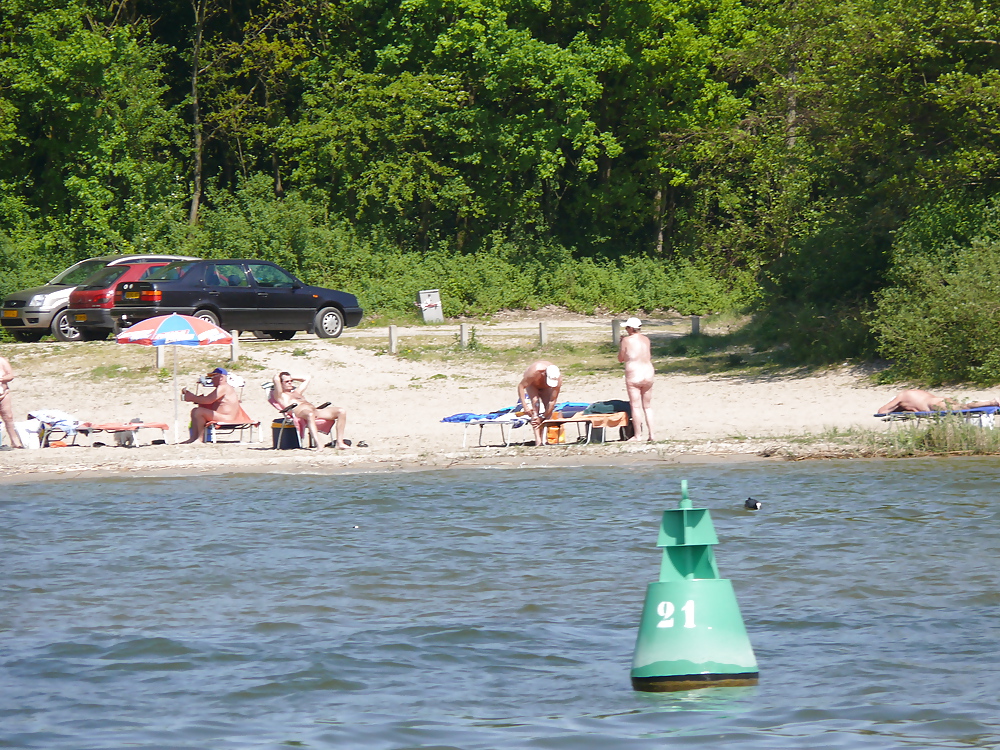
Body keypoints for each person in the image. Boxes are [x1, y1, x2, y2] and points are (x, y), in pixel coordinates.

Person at [272, 371, 349, 450]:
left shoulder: (297, 392)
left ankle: (339, 443)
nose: (290, 383)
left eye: (291, 381)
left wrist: (290, 377)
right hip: (301, 413)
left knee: (341, 411)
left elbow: (307, 378)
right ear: (280, 383)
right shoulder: (280, 395)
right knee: (310, 414)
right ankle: (319, 444)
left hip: (315, 411)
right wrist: (280, 376)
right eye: (287, 382)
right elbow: (276, 378)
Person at [180, 367, 243, 443]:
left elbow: (208, 400)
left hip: (227, 417)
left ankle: (200, 438)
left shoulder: (223, 387)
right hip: (224, 416)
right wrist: (195, 398)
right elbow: (209, 400)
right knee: (195, 411)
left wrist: (192, 397)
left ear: (221, 377)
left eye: (213, 377)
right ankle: (193, 438)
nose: (212, 379)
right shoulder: (223, 388)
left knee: (199, 412)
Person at [618, 317, 656, 442]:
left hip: (634, 373)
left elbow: (621, 358)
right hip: (648, 372)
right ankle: (652, 434)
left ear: (630, 328)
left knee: (635, 406)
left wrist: (621, 343)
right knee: (648, 406)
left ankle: (638, 435)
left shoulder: (626, 340)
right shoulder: (646, 339)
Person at [517, 360, 562, 445]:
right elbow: (521, 386)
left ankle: (545, 438)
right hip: (533, 384)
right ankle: (538, 440)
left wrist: (544, 416)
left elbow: (552, 401)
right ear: (544, 373)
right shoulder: (534, 372)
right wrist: (525, 406)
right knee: (535, 404)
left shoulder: (557, 379)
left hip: (545, 387)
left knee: (548, 407)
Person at [877, 389, 999, 414]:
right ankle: (989, 402)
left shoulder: (902, 397)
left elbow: (881, 411)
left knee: (964, 407)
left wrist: (899, 408)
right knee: (962, 405)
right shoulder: (915, 392)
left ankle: (992, 402)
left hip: (933, 405)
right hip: (939, 400)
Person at [0, 355, 25, 448]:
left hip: (3, 393)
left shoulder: (1, 361)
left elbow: (10, 375)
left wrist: (2, 379)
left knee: (8, 417)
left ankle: (15, 442)